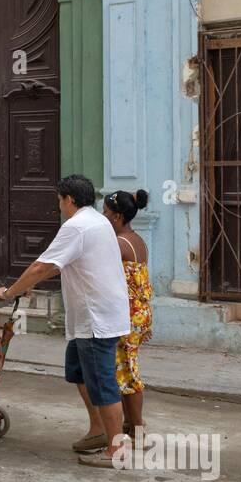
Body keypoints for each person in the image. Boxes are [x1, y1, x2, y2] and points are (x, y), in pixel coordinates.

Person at [0, 174, 132, 464]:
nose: (58, 206)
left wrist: (9, 293)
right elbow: (61, 264)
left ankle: (116, 449)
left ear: (69, 199)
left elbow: (40, 266)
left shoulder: (77, 226)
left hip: (95, 318)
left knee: (102, 381)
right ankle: (98, 429)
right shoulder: (98, 222)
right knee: (78, 370)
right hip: (95, 315)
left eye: (59, 200)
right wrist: (29, 283)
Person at [103, 190, 153, 445]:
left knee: (127, 372)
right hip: (139, 314)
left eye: (106, 213)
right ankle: (131, 424)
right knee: (124, 369)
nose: (103, 217)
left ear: (117, 216)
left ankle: (138, 428)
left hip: (127, 316)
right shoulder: (136, 240)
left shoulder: (120, 244)